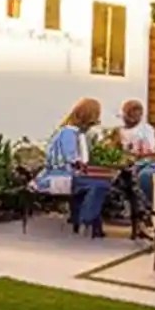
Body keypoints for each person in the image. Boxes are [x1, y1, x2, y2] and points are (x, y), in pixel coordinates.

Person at [34, 98, 110, 238]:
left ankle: (89, 224)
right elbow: (71, 160)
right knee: (101, 185)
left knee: (95, 184)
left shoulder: (72, 132)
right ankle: (85, 222)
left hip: (66, 175)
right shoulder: (69, 133)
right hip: (58, 177)